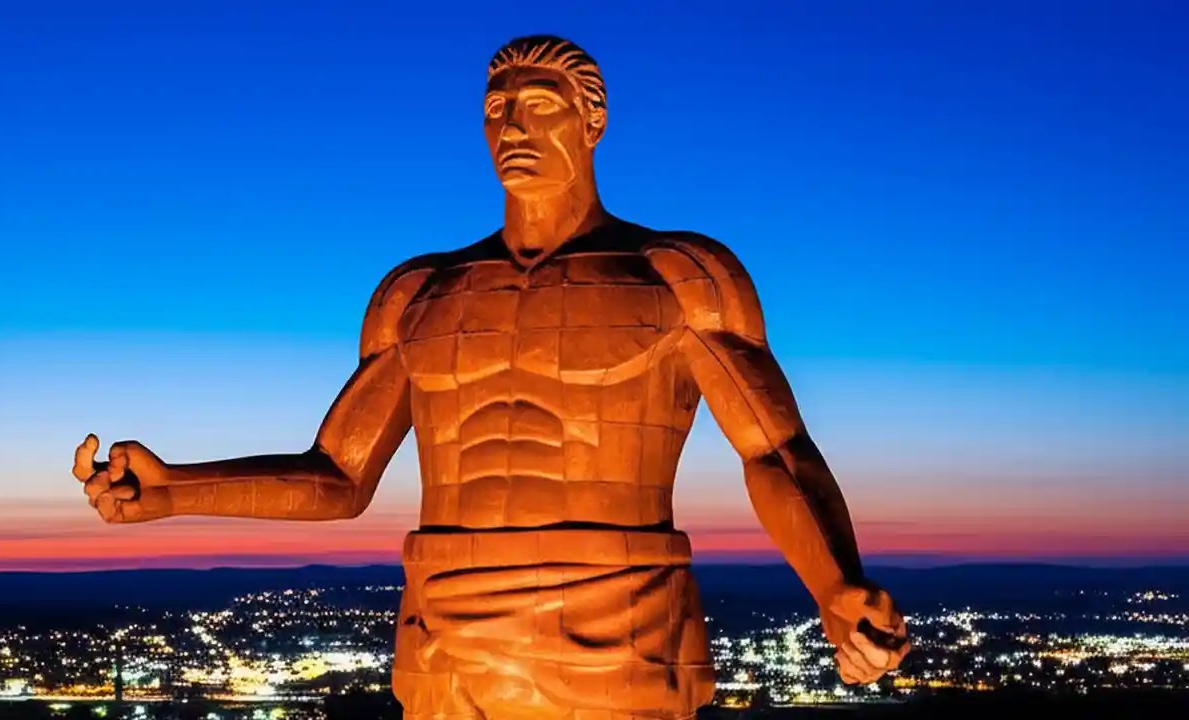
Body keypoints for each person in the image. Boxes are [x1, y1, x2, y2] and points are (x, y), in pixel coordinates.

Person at [72, 34, 909, 720]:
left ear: (592, 123)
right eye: (496, 112)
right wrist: (177, 489)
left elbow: (774, 450)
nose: (513, 128)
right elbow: (337, 475)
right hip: (446, 639)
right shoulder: (419, 297)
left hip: (618, 632)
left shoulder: (678, 278)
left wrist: (835, 585)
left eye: (539, 107)